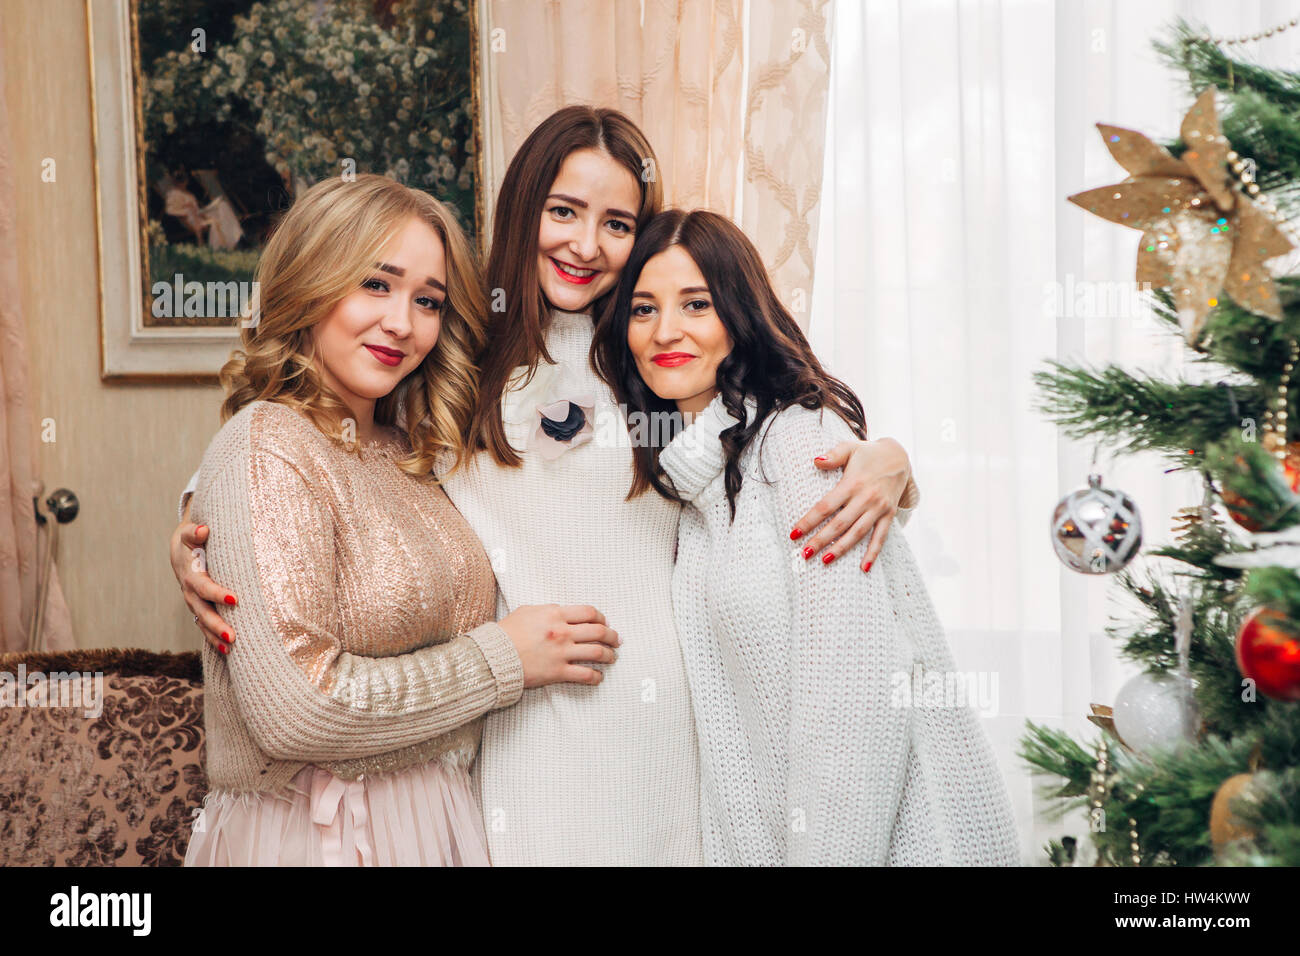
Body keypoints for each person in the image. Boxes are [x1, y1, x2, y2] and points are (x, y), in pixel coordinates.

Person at [172, 107, 921, 865]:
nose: (585, 244)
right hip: (516, 737)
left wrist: (889, 462)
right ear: (525, 206)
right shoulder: (454, 362)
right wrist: (196, 533)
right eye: (563, 211)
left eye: (617, 223)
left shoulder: (652, 358)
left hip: (671, 747)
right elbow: (302, 450)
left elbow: (768, 434)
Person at [183, 174, 618, 866]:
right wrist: (503, 659)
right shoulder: (266, 441)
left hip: (437, 821)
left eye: (428, 302)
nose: (402, 323)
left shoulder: (416, 449)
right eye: (375, 285)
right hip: (314, 837)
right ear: (310, 283)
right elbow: (295, 713)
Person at [592, 208, 1020, 865]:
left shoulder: (798, 445)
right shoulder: (694, 487)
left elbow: (854, 705)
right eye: (643, 308)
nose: (665, 331)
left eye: (696, 304)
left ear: (739, 318)